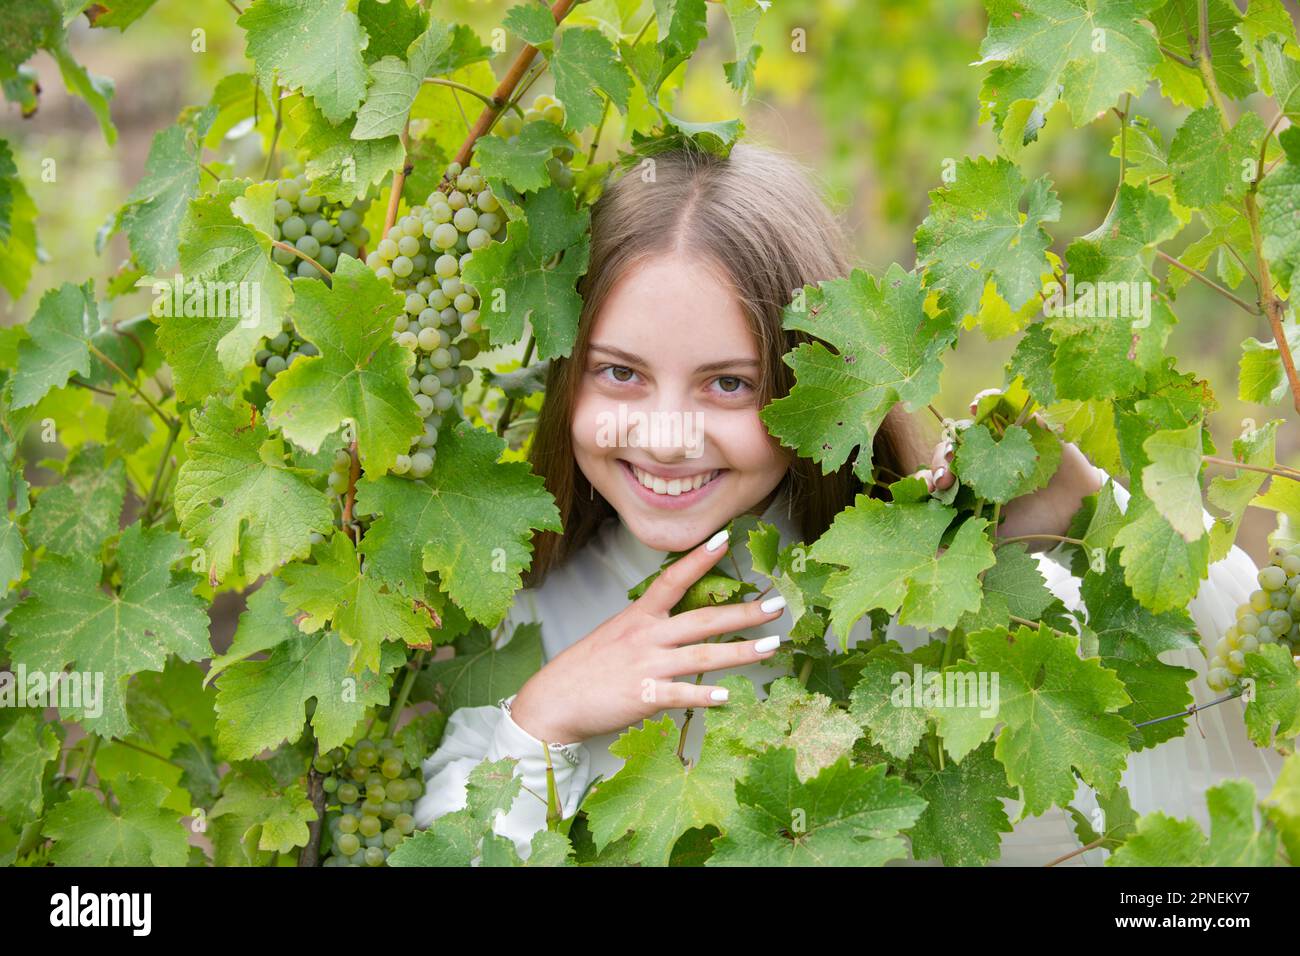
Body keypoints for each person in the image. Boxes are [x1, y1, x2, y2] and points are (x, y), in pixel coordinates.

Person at [411, 143, 1285, 865]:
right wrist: (542, 720)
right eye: (620, 372)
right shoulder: (519, 618)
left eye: (728, 383)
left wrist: (1095, 517)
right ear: (569, 375)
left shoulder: (910, 589)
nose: (670, 435)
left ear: (811, 382)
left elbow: (1255, 708)